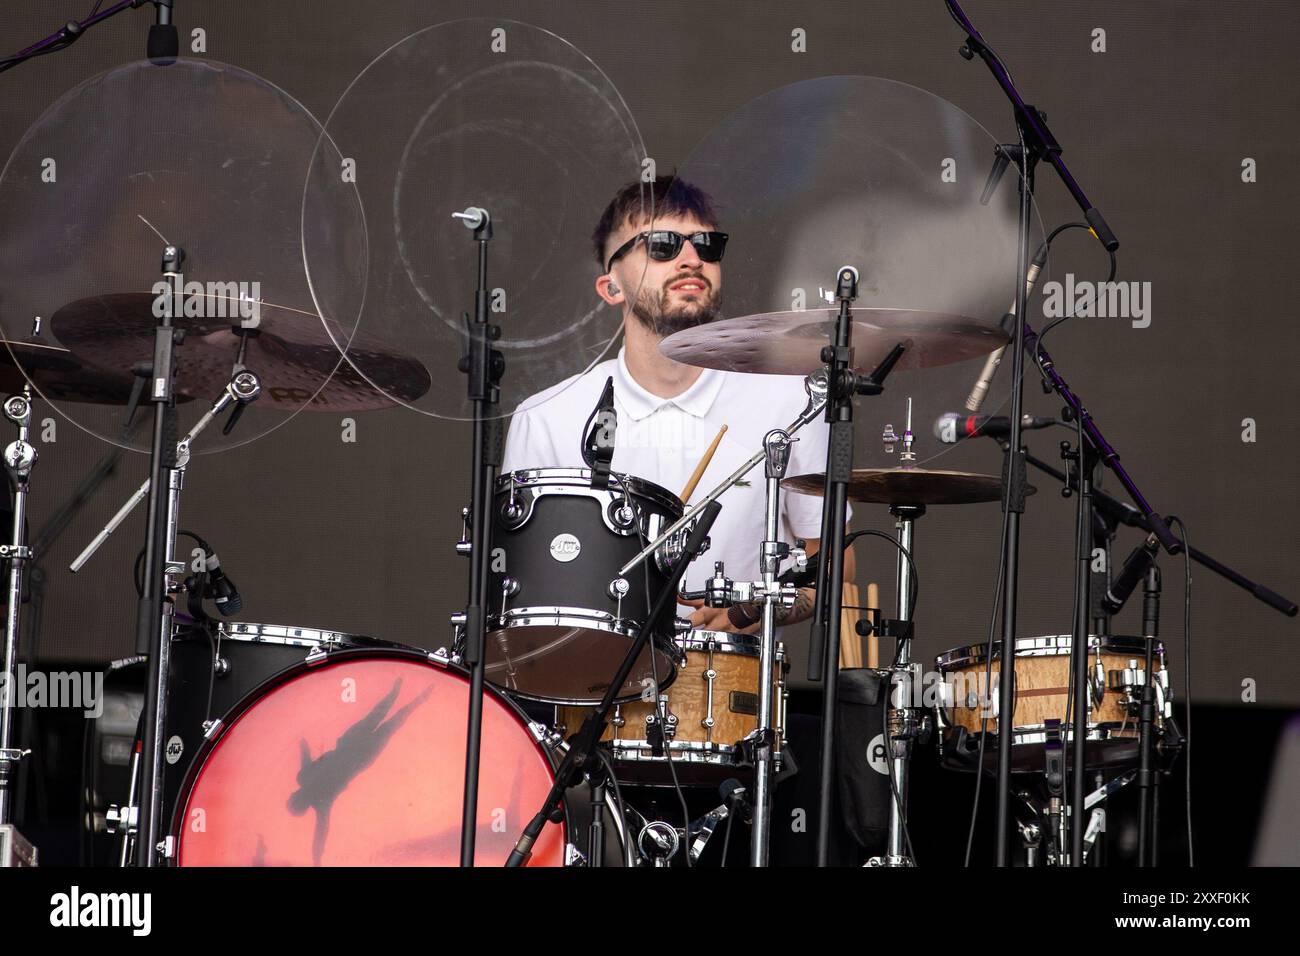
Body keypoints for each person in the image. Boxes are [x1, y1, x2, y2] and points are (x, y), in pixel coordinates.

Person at [501, 176, 853, 633]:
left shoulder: (791, 403)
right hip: (592, 688)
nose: (692, 259)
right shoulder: (548, 418)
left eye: (707, 245)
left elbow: (831, 560)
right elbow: (521, 593)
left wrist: (752, 615)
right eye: (662, 245)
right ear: (611, 287)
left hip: (737, 688)